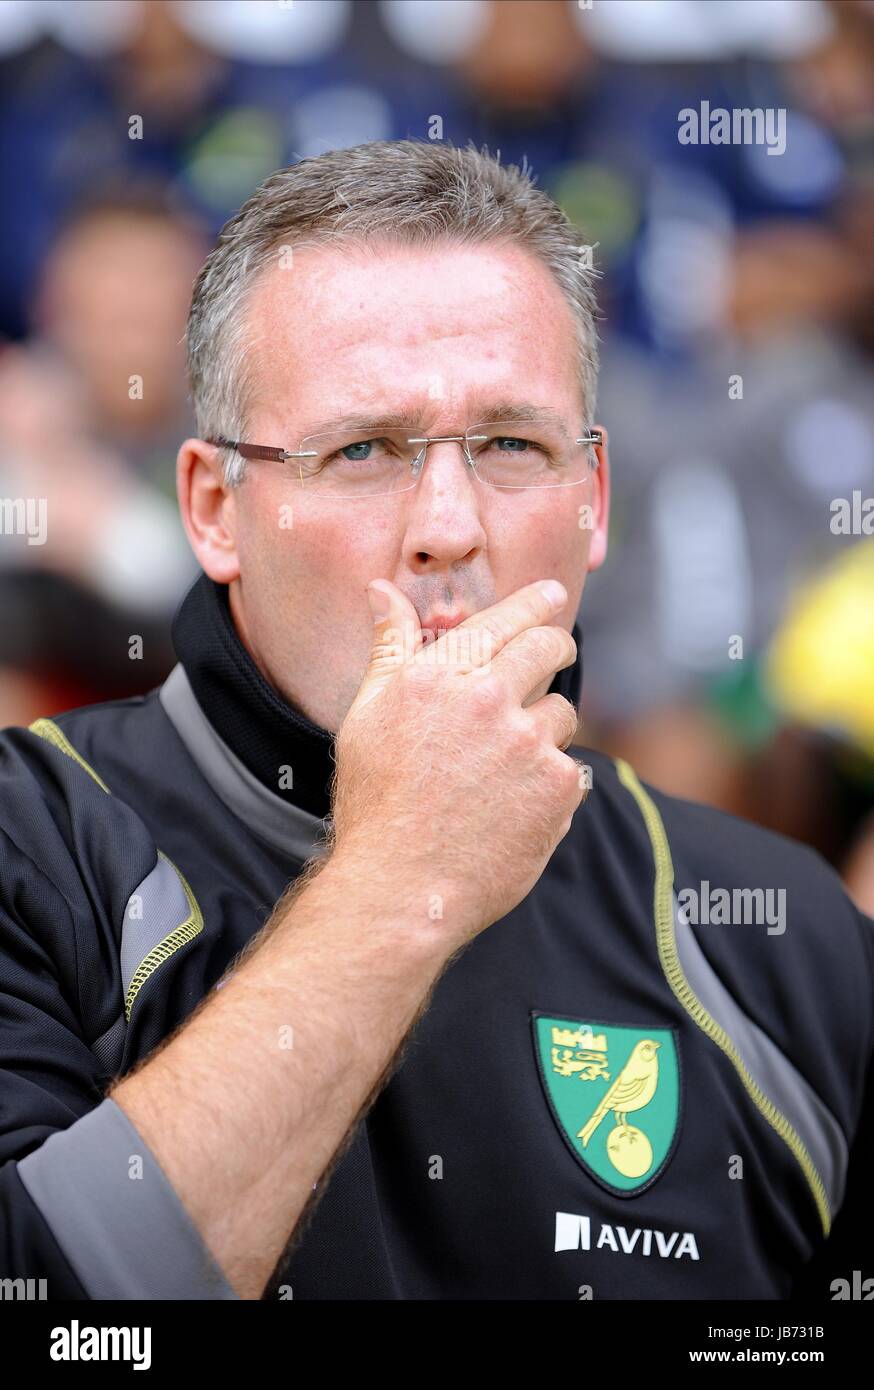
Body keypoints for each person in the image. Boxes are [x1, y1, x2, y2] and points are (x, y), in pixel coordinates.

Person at [0, 140, 870, 1301]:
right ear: (214, 507)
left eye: (512, 444)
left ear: (594, 501)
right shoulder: (31, 847)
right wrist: (403, 873)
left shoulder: (776, 936)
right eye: (364, 449)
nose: (448, 526)